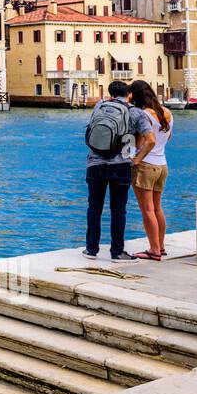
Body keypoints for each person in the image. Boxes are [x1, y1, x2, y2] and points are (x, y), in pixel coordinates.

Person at [84, 80, 154, 261]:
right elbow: (151, 139)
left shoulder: (99, 106)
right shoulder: (136, 112)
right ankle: (117, 252)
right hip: (121, 165)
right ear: (129, 94)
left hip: (95, 164)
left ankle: (91, 249)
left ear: (110, 93)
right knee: (118, 209)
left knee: (94, 207)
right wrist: (137, 159)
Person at [130, 79, 172, 260]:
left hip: (146, 165)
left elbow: (145, 141)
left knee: (147, 209)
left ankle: (154, 250)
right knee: (157, 208)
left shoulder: (143, 115)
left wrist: (136, 158)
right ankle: (160, 246)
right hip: (162, 164)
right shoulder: (167, 112)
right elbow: (167, 138)